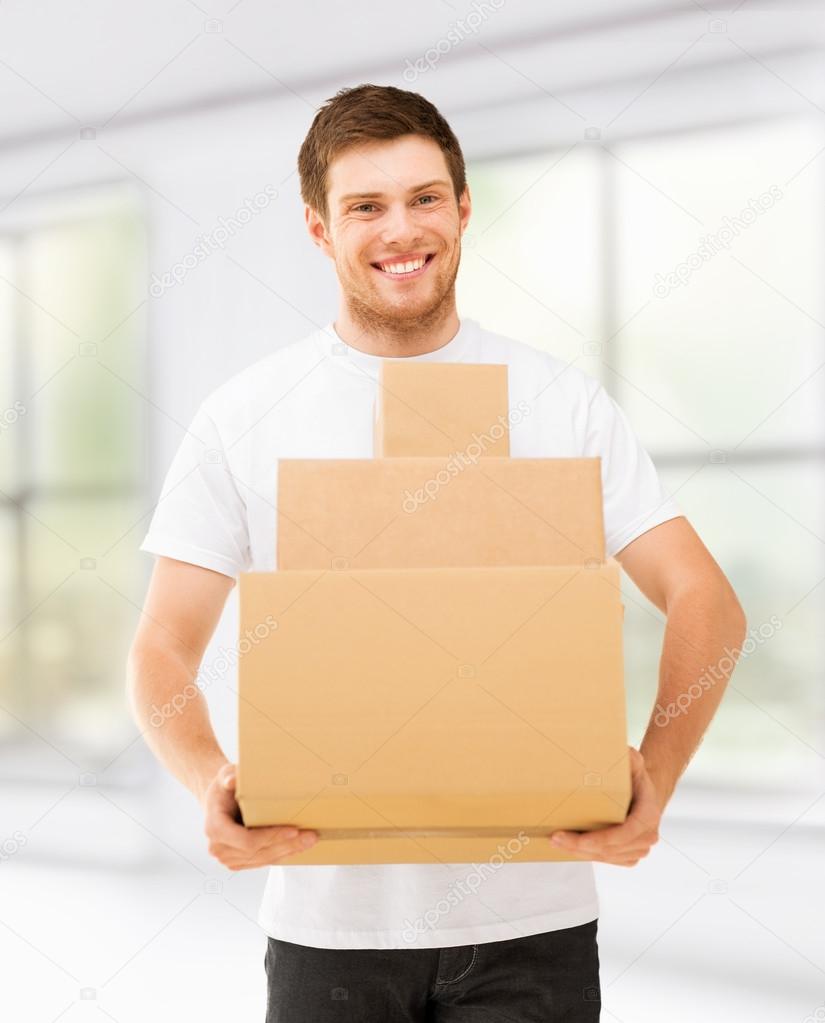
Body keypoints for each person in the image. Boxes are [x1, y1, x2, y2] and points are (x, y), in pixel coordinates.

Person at [127, 83, 747, 1021]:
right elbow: (161, 646)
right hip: (328, 927)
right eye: (364, 206)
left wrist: (653, 777)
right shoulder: (245, 414)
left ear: (462, 208)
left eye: (423, 198)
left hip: (531, 923)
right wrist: (207, 776)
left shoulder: (558, 403)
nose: (399, 230)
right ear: (317, 229)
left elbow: (707, 601)